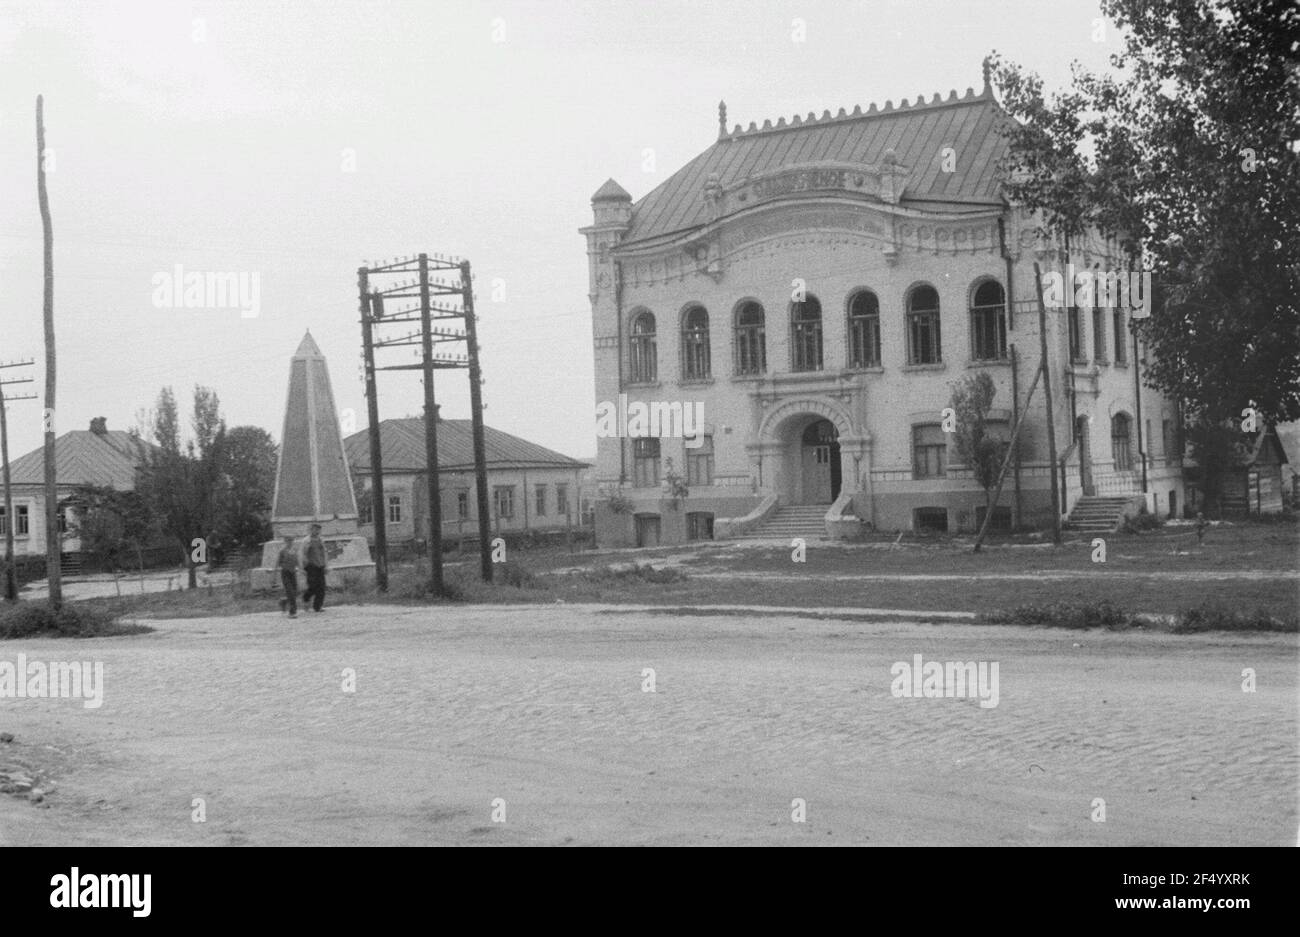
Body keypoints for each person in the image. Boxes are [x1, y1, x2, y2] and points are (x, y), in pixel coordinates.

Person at [302, 523, 328, 612]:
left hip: (320, 565)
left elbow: (324, 553)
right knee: (312, 586)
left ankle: (317, 606)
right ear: (311, 530)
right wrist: (303, 567)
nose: (316, 531)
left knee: (322, 587)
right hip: (311, 566)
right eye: (315, 529)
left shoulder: (321, 540)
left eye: (318, 529)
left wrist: (326, 566)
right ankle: (306, 598)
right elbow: (303, 554)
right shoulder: (306, 540)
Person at [276, 535, 299, 619]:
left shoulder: (294, 550)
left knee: (295, 591)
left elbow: (297, 561)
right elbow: (277, 563)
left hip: (293, 572)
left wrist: (301, 569)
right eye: (288, 541)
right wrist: (274, 575)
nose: (290, 542)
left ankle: (283, 601)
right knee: (290, 591)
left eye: (291, 541)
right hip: (285, 573)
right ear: (285, 541)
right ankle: (292, 612)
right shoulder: (282, 551)